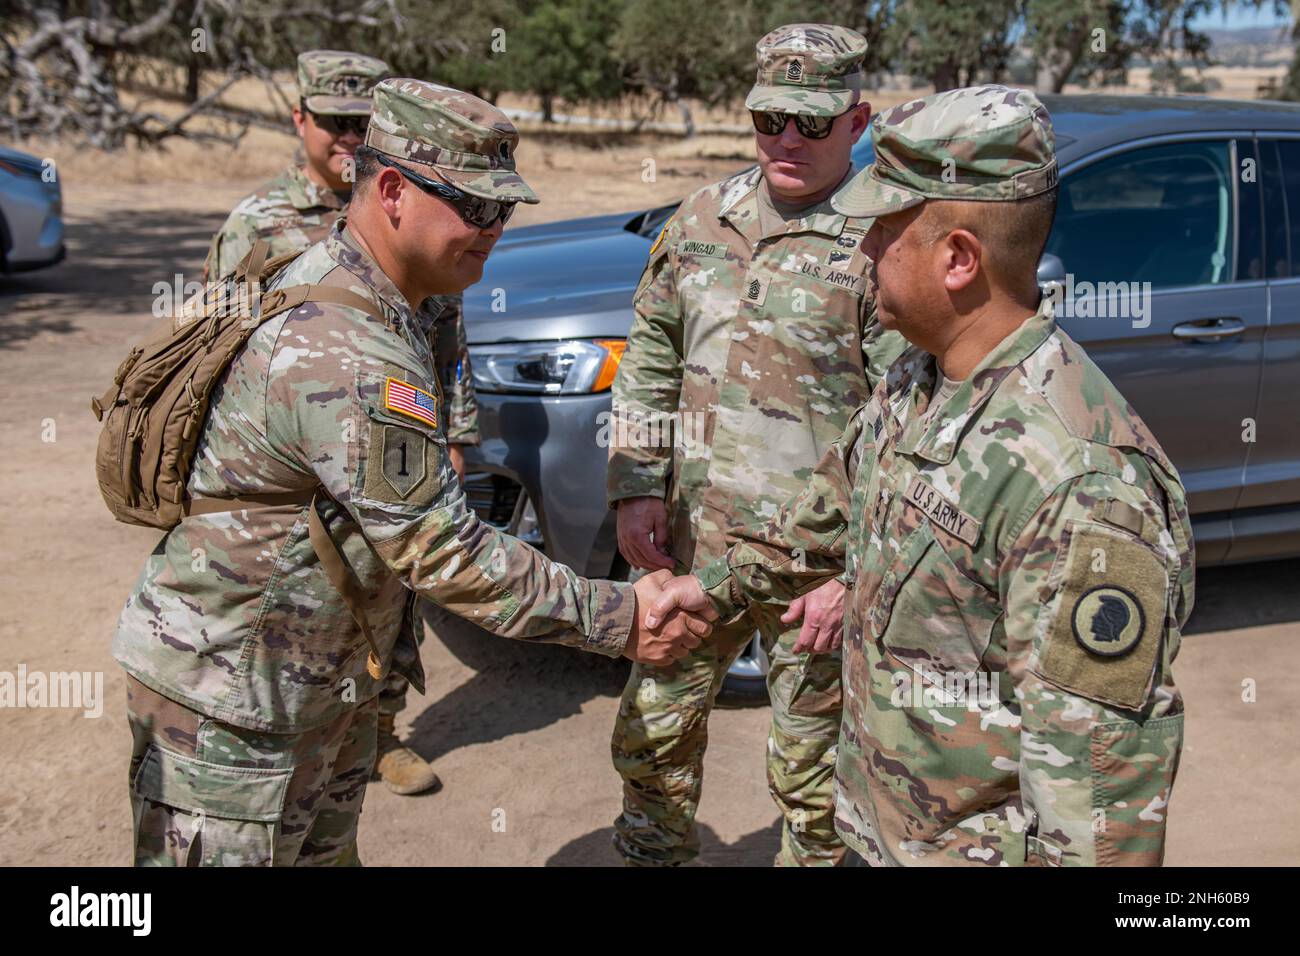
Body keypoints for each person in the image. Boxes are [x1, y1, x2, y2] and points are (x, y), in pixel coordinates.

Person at [116, 78, 716, 867]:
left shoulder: (381, 294)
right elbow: (443, 549)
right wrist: (620, 618)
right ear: (393, 190)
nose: (493, 231)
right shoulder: (349, 350)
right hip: (235, 704)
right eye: (474, 207)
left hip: (310, 678)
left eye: (504, 211)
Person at [647, 86, 1194, 866]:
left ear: (959, 259)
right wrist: (712, 590)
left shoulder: (1084, 488)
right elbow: (827, 520)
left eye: (880, 232)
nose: (860, 253)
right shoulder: (919, 379)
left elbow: (1099, 815)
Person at [606, 23, 905, 867]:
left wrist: (859, 572)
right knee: (650, 744)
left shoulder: (887, 241)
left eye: (812, 122)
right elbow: (651, 353)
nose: (787, 140)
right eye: (770, 118)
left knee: (815, 782)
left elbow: (909, 422)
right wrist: (634, 484)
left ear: (857, 121)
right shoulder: (703, 218)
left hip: (818, 564)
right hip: (696, 545)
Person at [205, 50, 479, 794]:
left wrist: (453, 433)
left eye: (364, 123)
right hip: (294, 471)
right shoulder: (258, 226)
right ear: (300, 119)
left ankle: (379, 726)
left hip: (394, 439)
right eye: (334, 122)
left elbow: (448, 341)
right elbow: (215, 352)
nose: (348, 138)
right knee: (309, 596)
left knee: (393, 588)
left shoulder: (418, 224)